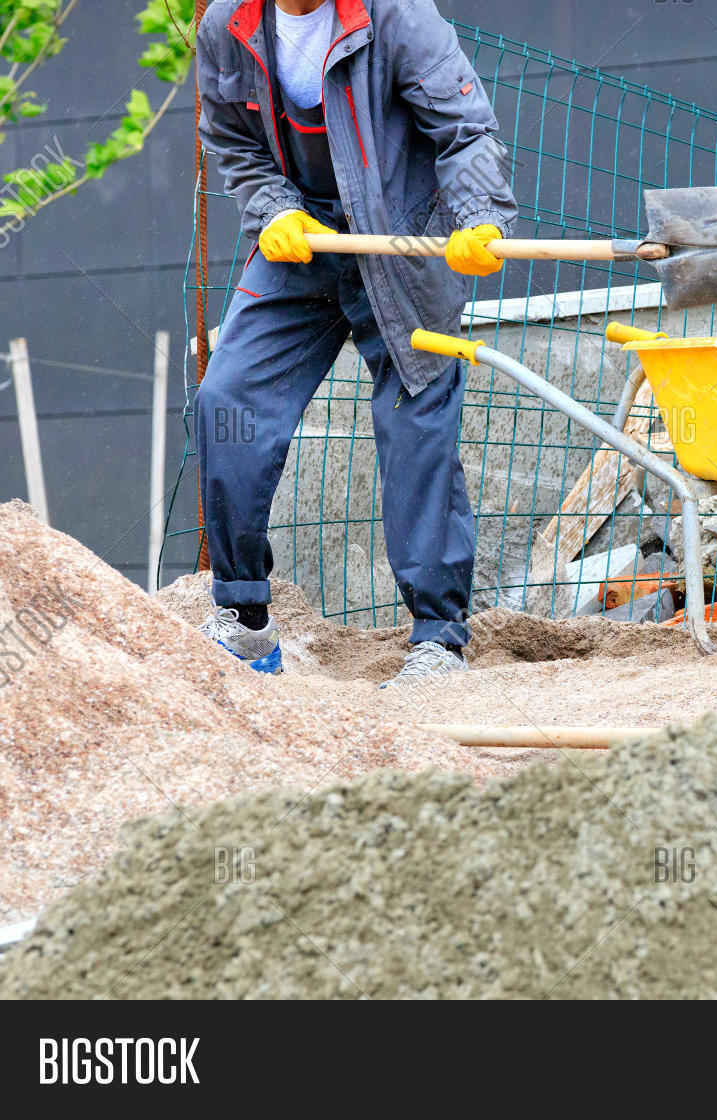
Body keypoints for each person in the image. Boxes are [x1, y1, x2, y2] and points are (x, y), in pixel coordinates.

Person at [193, 0, 516, 684]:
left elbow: (466, 130)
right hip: (302, 241)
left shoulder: (396, 15)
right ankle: (245, 620)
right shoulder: (229, 26)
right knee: (228, 399)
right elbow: (231, 141)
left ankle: (437, 642)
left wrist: (480, 217)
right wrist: (273, 209)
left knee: (415, 424)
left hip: (400, 238)